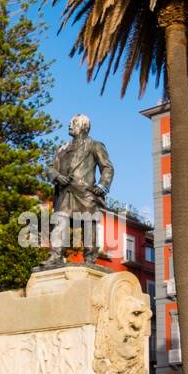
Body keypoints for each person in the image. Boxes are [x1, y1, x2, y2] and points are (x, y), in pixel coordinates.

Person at [43, 113, 114, 268]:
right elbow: (49, 168)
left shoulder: (95, 145)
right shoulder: (62, 149)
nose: (69, 125)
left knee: (89, 226)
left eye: (73, 123)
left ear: (84, 126)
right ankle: (54, 256)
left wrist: (102, 186)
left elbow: (107, 167)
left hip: (86, 193)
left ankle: (90, 259)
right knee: (59, 223)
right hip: (65, 193)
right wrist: (57, 176)